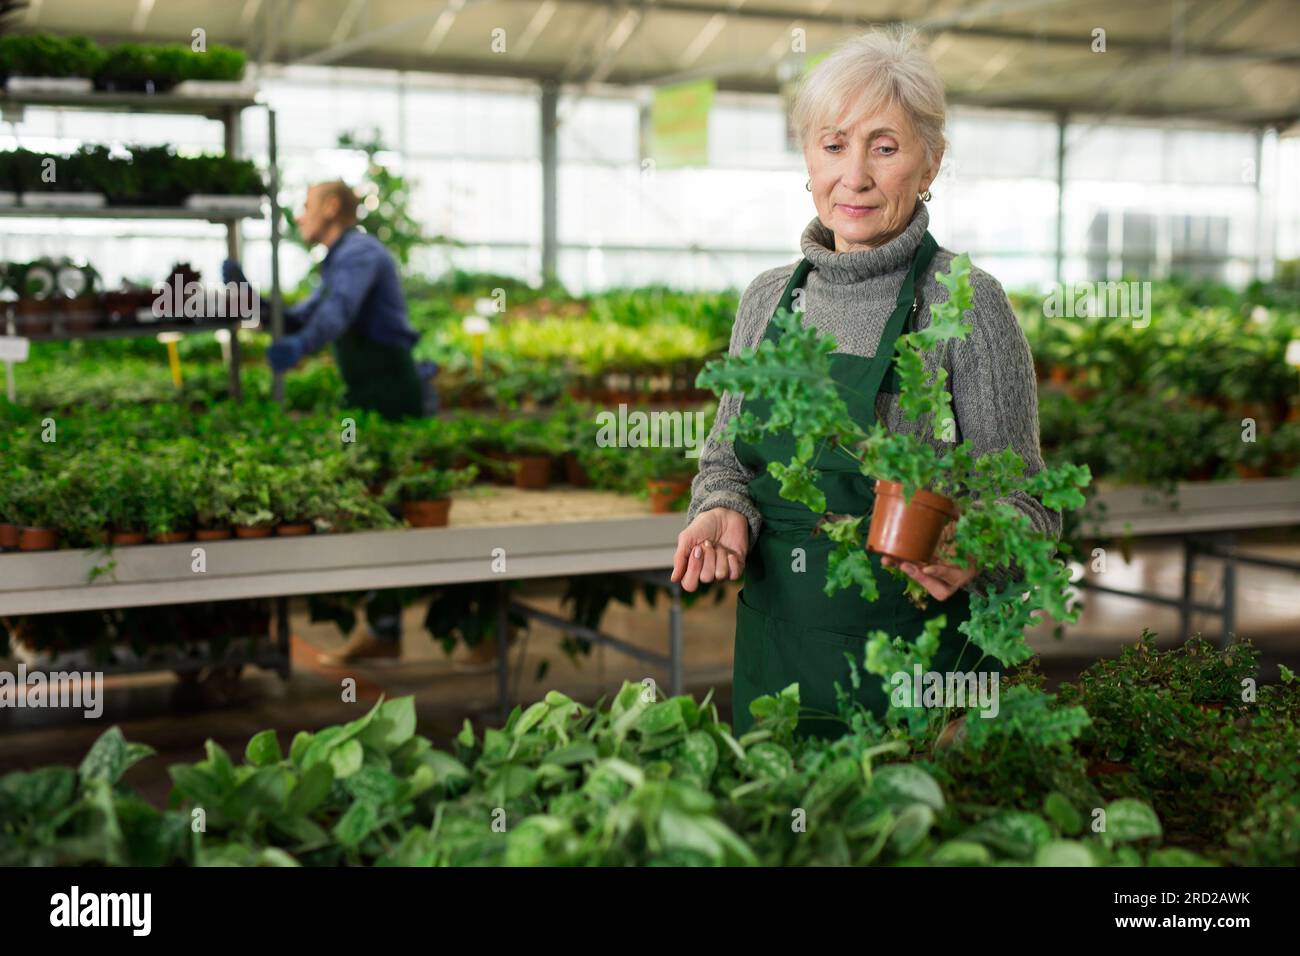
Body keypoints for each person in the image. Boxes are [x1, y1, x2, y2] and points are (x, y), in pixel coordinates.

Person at [670, 27, 1060, 739]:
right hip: (776, 662)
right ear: (807, 160)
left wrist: (979, 540)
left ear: (930, 163)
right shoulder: (766, 300)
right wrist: (723, 510)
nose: (855, 175)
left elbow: (1032, 503)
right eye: (833, 144)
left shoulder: (966, 302)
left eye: (884, 146)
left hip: (916, 673)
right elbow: (726, 461)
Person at [223, 179, 425, 665]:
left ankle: (441, 625)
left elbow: (334, 316)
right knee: (375, 508)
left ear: (332, 207)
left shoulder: (361, 256)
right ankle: (383, 628)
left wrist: (298, 351)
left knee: (398, 509)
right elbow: (300, 318)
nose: (299, 216)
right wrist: (252, 304)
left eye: (307, 206)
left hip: (390, 394)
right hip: (366, 393)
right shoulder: (338, 262)